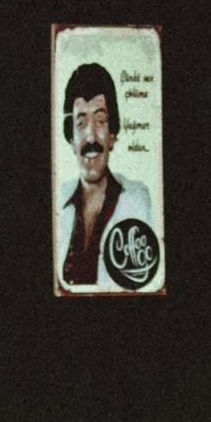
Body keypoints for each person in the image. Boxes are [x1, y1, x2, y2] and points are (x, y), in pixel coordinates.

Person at [59, 61, 159, 293]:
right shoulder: (59, 198)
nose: (91, 136)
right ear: (71, 139)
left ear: (112, 134)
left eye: (101, 121)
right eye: (80, 123)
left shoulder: (137, 199)